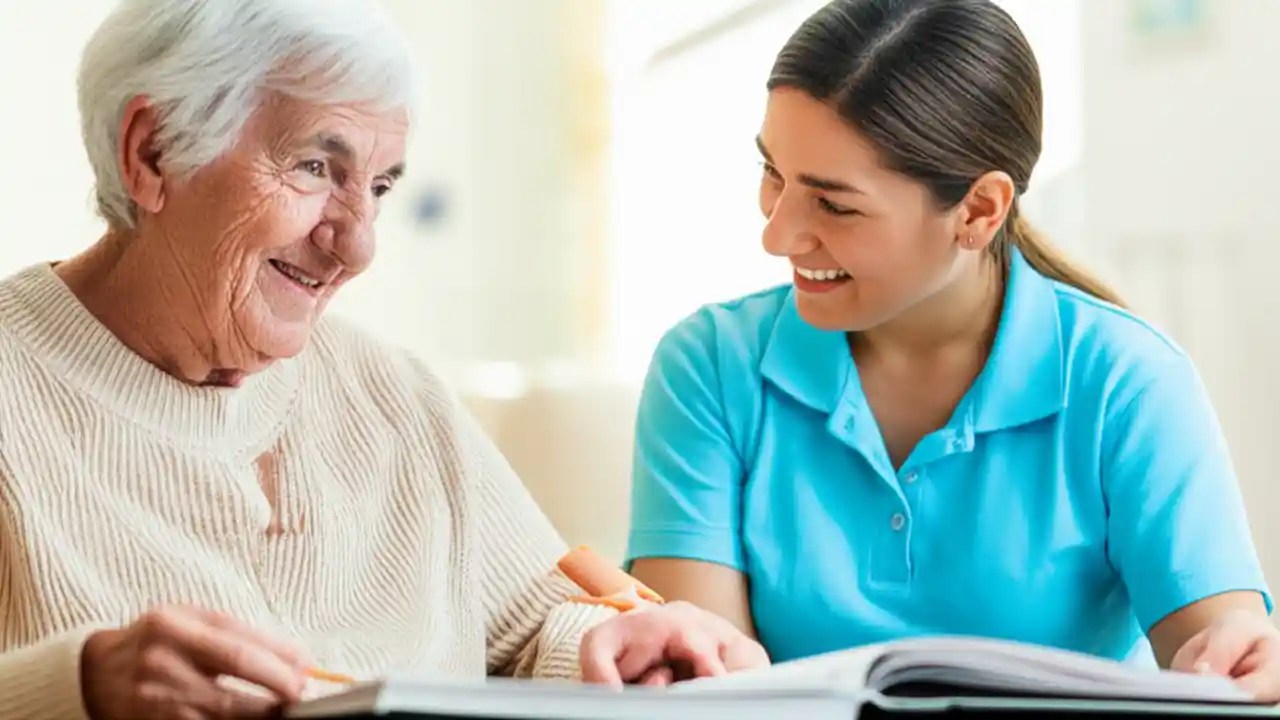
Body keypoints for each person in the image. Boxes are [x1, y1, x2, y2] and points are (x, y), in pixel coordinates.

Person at [0, 1, 767, 718]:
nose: (357, 243)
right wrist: (78, 687)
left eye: (378, 186)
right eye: (312, 167)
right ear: (153, 151)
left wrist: (618, 653)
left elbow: (543, 625)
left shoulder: (392, 392)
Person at [625, 0, 1280, 701]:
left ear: (978, 211)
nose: (778, 236)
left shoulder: (1128, 382)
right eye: (773, 174)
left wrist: (1249, 660)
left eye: (835, 204)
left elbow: (1223, 665)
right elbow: (702, 689)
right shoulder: (707, 369)